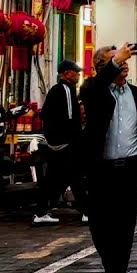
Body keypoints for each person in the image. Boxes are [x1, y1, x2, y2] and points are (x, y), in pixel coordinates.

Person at [81, 44, 137, 273]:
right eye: (115, 61)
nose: (123, 63)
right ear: (101, 68)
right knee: (100, 228)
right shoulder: (94, 93)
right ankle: (110, 266)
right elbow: (95, 89)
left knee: (124, 229)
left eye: (124, 60)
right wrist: (115, 62)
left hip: (130, 171)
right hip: (100, 171)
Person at [37, 60, 87, 225]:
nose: (78, 75)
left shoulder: (60, 90)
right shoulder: (64, 90)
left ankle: (41, 212)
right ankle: (86, 211)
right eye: (76, 72)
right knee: (75, 178)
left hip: (59, 143)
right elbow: (70, 118)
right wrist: (73, 140)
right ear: (66, 73)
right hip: (65, 144)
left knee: (57, 179)